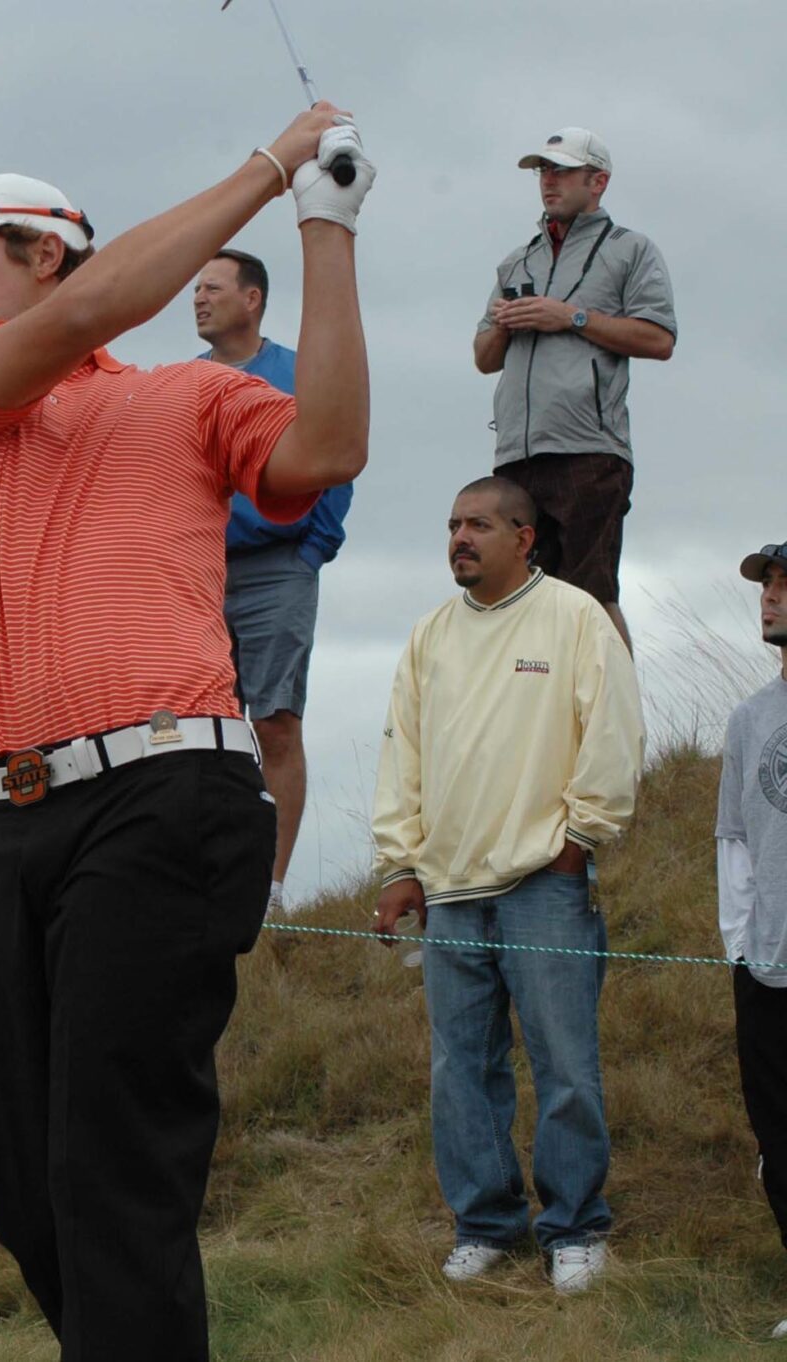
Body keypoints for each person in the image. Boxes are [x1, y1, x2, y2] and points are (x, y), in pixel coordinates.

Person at [0, 107, 375, 1357]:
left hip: (169, 798)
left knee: (110, 1174)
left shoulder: (194, 395)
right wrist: (265, 165)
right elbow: (88, 322)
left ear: (48, 253)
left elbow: (330, 445)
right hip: (19, 819)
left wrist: (322, 226)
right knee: (38, 1197)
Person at [373, 476, 644, 1295]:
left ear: (523, 537)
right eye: (453, 523)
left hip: (543, 884)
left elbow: (614, 730)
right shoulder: (428, 636)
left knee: (565, 1063)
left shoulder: (573, 617)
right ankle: (486, 1224)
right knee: (462, 1068)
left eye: (479, 524)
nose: (460, 537)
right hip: (450, 889)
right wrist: (400, 865)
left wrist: (578, 843)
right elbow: (402, 755)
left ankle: (575, 1228)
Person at [193, 248, 355, 915]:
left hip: (278, 567)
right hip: (197, 570)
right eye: (195, 288)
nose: (198, 298)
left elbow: (336, 457)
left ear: (251, 298)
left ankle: (271, 887)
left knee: (276, 723)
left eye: (212, 287)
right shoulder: (183, 380)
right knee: (199, 727)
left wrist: (313, 549)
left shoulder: (295, 373)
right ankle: (206, 873)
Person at [474, 127, 677, 647]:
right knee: (519, 600)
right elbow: (483, 358)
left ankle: (619, 721)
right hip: (516, 454)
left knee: (590, 597)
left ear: (598, 181)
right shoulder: (517, 261)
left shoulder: (632, 250)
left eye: (561, 170)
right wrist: (503, 323)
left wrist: (571, 316)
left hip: (589, 450)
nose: (548, 181)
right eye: (543, 171)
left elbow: (659, 338)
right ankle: (545, 724)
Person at [717, 537, 787, 1335]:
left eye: (783, 584)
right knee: (778, 1132)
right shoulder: (748, 720)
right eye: (765, 584)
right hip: (767, 969)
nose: (768, 597)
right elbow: (732, 839)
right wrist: (741, 944)